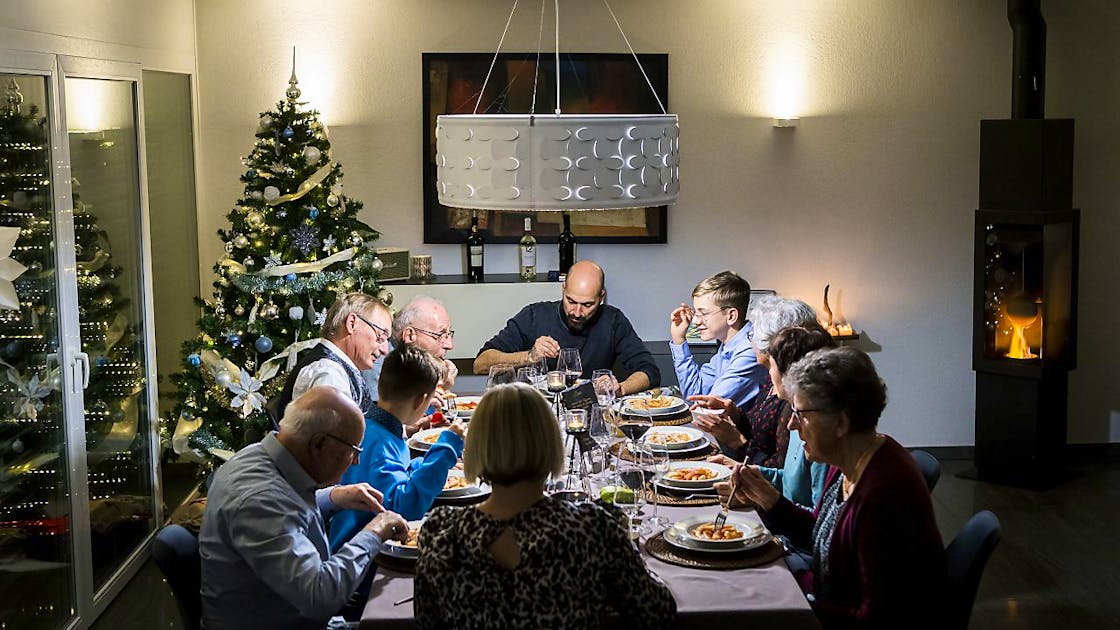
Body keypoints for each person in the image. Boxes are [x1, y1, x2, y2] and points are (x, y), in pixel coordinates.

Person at [718, 347, 948, 629]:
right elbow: (821, 534)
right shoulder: (851, 458)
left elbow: (874, 618)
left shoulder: (883, 494)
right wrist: (769, 500)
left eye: (800, 414)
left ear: (841, 422)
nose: (791, 425)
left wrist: (789, 600)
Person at [414, 383, 676, 629]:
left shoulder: (443, 536)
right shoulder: (590, 530)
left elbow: (425, 621)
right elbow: (657, 611)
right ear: (551, 443)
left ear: (475, 447)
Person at [200, 386, 409, 629]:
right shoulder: (259, 501)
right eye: (353, 450)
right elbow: (321, 596)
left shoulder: (256, 457)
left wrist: (333, 497)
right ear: (319, 444)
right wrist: (375, 531)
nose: (356, 461)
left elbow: (286, 509)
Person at [329, 345, 465, 550]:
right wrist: (445, 449)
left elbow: (393, 476)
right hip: (362, 554)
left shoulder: (372, 426)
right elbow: (404, 508)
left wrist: (422, 464)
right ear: (421, 401)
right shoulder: (381, 445)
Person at [473, 260, 659, 396]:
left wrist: (621, 389)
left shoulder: (613, 321)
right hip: (537, 412)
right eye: (570, 301)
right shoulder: (534, 315)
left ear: (601, 297)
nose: (577, 312)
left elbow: (649, 371)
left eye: (587, 305)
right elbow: (480, 363)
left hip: (591, 413)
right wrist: (529, 356)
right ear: (563, 289)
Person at [708, 325, 833, 511]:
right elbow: (790, 481)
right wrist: (753, 474)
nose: (768, 372)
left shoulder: (816, 429)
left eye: (771, 366)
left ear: (790, 373)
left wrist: (761, 500)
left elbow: (819, 517)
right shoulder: (798, 415)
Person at [691, 296, 818, 467]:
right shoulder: (770, 378)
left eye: (753, 334)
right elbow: (758, 429)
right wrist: (734, 413)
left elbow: (781, 470)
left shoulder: (793, 394)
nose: (750, 341)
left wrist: (736, 441)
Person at [274, 292, 391, 419]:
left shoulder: (337, 369)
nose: (385, 350)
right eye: (381, 336)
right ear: (352, 323)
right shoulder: (328, 373)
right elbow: (334, 430)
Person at [668, 270, 766, 408]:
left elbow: (707, 406)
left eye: (704, 313)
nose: (695, 321)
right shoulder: (728, 345)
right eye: (696, 313)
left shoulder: (750, 351)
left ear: (731, 316)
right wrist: (679, 339)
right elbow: (694, 395)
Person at [362, 295, 458, 405]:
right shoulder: (379, 363)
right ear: (409, 335)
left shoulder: (414, 362)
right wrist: (421, 400)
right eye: (440, 335)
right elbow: (376, 414)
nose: (449, 345)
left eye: (448, 334)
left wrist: (440, 387)